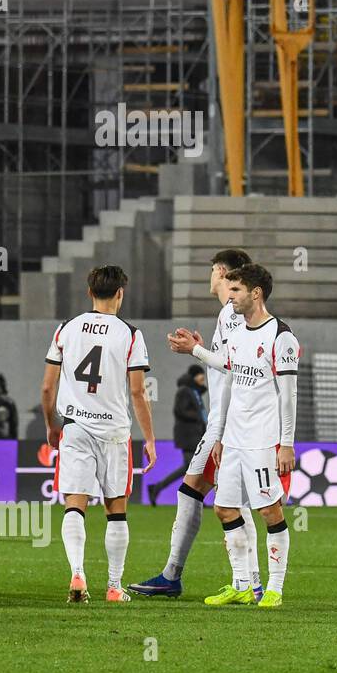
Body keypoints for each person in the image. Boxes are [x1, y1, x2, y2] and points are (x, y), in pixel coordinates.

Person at [129, 249, 262, 598]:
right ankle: (244, 582)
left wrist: (196, 352)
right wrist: (205, 352)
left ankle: (245, 582)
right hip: (228, 422)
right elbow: (229, 366)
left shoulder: (232, 313)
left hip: (227, 424)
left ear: (220, 271)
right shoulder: (230, 316)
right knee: (213, 495)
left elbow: (235, 369)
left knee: (219, 498)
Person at [40, 264, 155, 604]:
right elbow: (138, 392)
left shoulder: (67, 329)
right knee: (116, 509)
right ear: (121, 293)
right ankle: (115, 586)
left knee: (75, 506)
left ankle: (77, 572)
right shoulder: (130, 334)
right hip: (115, 432)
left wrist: (51, 425)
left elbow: (48, 387)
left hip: (75, 428)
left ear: (89, 292)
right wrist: (149, 438)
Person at [188, 264, 296, 609]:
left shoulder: (281, 337)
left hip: (263, 441)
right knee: (223, 508)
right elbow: (228, 380)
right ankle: (243, 585)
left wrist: (287, 444)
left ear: (256, 293)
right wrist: (219, 435)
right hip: (233, 439)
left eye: (235, 290)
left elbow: (288, 395)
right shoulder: (237, 335)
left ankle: (275, 588)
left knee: (269, 512)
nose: (229, 296)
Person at [145, 364, 207, 505]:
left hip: (195, 435)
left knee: (191, 467)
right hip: (189, 436)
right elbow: (180, 410)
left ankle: (157, 488)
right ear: (194, 376)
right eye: (200, 375)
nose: (203, 378)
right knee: (192, 468)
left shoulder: (194, 391)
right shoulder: (185, 391)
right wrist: (199, 417)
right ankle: (159, 488)